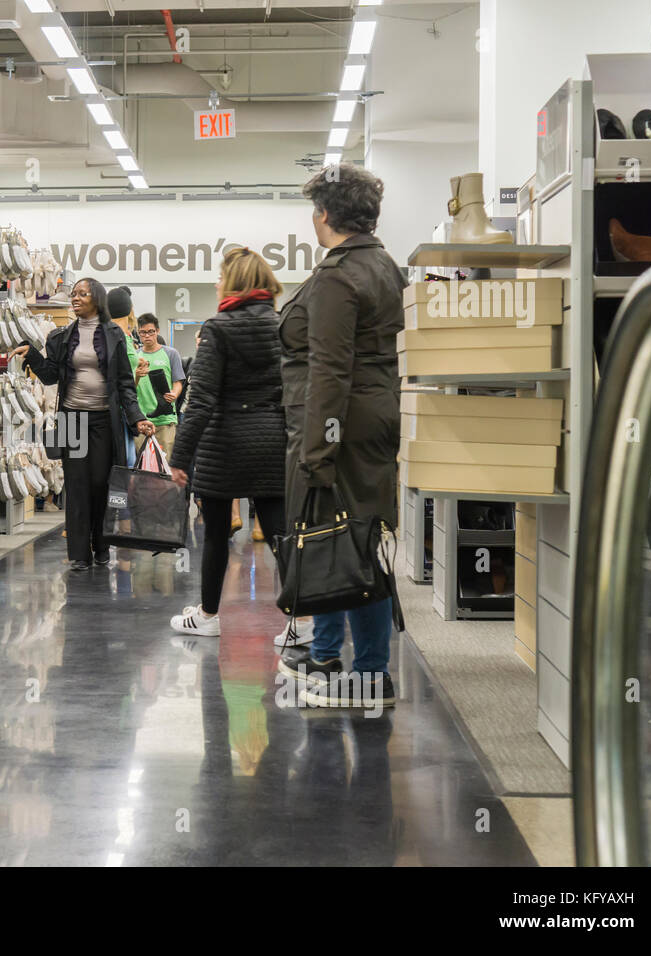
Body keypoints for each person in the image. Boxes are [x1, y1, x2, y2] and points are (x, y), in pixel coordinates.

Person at [277, 163, 405, 706]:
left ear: (325, 215)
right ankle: (329, 658)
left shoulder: (337, 275)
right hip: (371, 415)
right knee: (351, 537)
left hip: (340, 423)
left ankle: (370, 673)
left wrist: (318, 450)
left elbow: (330, 368)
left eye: (315, 210)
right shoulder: (384, 267)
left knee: (347, 541)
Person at [168, 246, 287, 637]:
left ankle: (208, 616)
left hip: (225, 444)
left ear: (235, 281)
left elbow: (200, 399)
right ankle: (302, 621)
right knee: (279, 533)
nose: (217, 283)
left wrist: (180, 455)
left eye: (221, 277)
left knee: (217, 533)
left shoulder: (218, 328)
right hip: (272, 440)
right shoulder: (281, 324)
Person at [13, 278, 153, 571]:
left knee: (101, 483)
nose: (75, 298)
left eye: (82, 294)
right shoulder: (61, 336)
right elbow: (51, 376)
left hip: (104, 419)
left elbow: (126, 385)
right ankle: (79, 554)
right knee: (76, 485)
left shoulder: (115, 335)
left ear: (97, 299)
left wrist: (137, 417)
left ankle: (102, 547)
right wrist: (34, 356)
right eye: (73, 294)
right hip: (71, 419)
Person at [129, 313, 185, 456]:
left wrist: (174, 393)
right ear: (138, 334)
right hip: (142, 421)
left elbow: (178, 382)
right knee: (142, 468)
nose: (147, 336)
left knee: (164, 469)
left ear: (157, 331)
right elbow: (129, 389)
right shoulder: (134, 357)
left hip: (165, 421)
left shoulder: (171, 354)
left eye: (151, 332)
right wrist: (137, 376)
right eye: (143, 332)